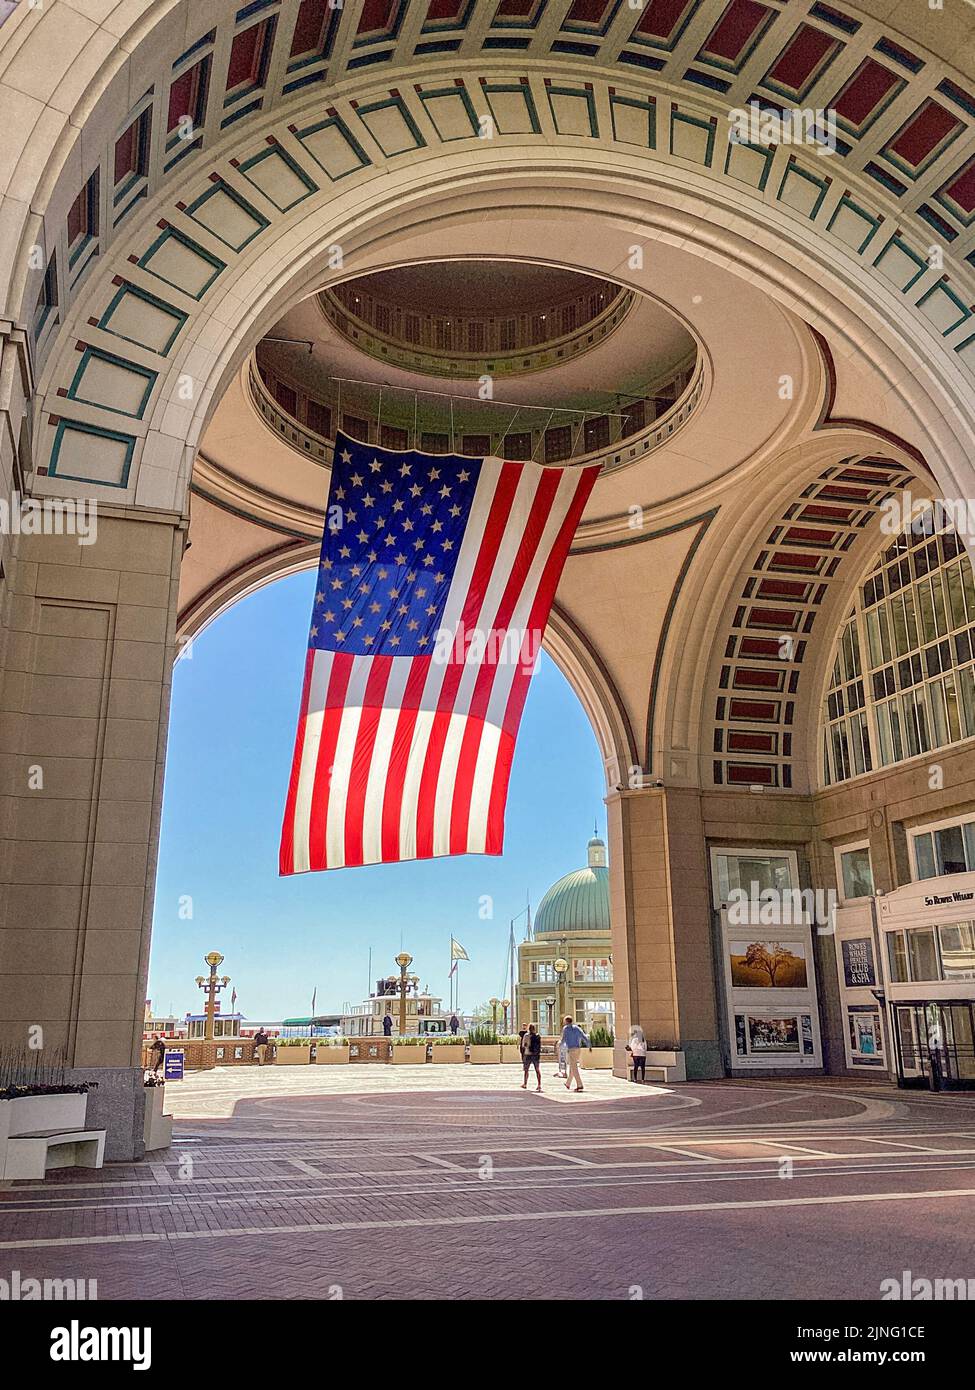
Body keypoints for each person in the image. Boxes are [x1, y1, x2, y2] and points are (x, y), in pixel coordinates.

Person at [559, 1015, 590, 1092]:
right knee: (572, 1067)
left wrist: (560, 1046)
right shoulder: (576, 1028)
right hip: (578, 1049)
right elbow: (584, 1036)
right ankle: (568, 1083)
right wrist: (589, 1045)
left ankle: (580, 1085)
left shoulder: (565, 1029)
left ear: (566, 1021)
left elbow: (563, 1039)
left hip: (571, 1049)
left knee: (574, 1068)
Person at [520, 1023, 542, 1092]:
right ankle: (539, 1085)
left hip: (528, 1054)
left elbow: (524, 1045)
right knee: (537, 1070)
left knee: (526, 1070)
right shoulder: (537, 1036)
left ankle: (525, 1084)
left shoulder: (526, 1035)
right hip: (536, 1055)